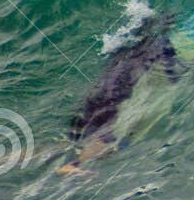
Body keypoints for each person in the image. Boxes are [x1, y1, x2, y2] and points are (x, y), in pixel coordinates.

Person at [56, 12, 182, 175]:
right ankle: (74, 164)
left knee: (74, 140)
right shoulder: (158, 45)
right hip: (110, 94)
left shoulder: (128, 50)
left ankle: (20, 155)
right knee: (103, 139)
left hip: (101, 92)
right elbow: (170, 71)